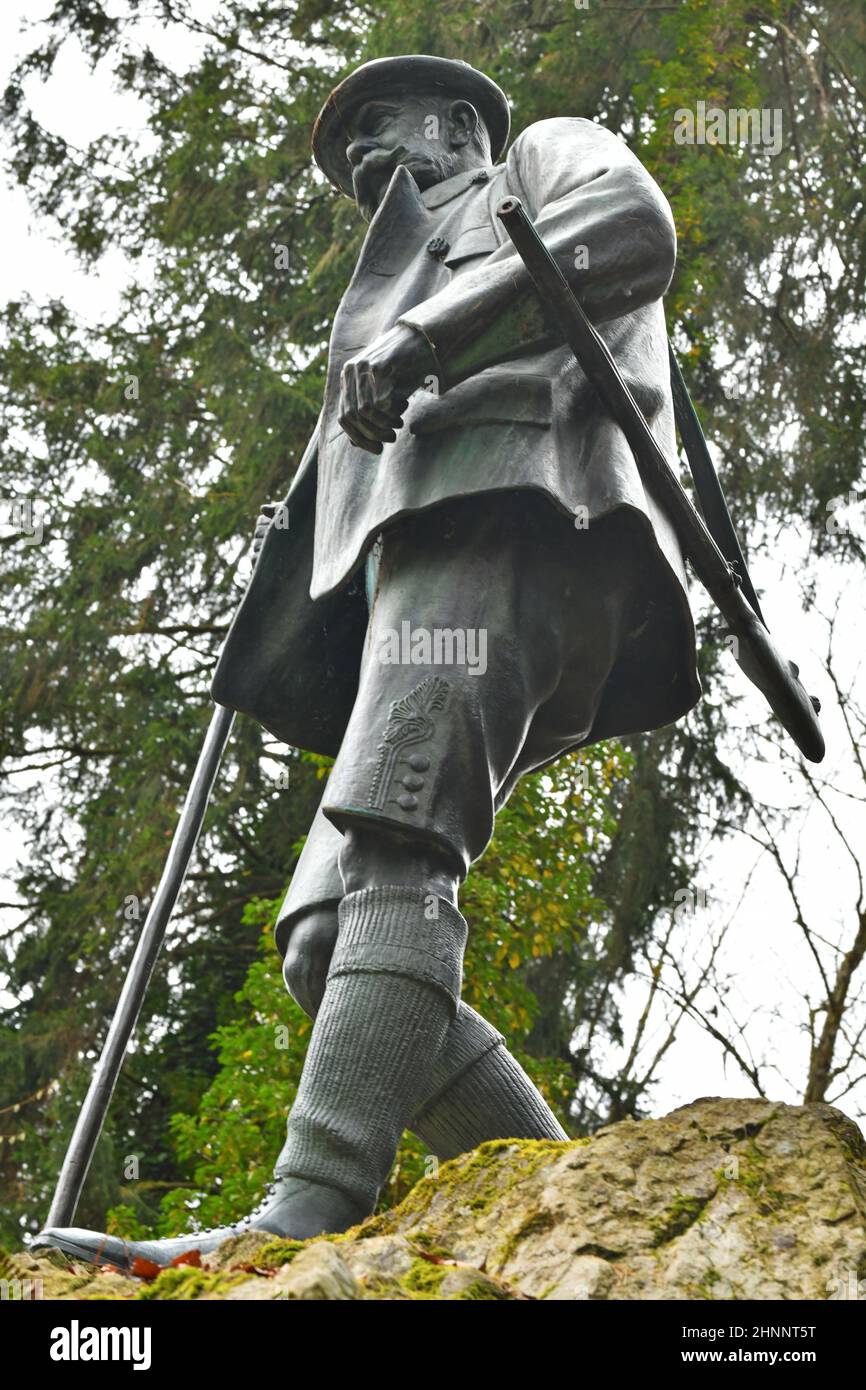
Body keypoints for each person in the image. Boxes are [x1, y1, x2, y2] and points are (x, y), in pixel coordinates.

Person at [34, 54, 698, 1271]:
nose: (361, 165)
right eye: (348, 157)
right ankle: (581, 1212)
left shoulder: (539, 159)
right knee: (322, 930)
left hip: (515, 508)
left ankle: (308, 1203)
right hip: (430, 554)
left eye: (379, 134)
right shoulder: (385, 276)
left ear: (457, 126)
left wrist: (425, 335)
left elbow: (630, 228)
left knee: (397, 836)